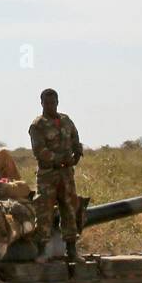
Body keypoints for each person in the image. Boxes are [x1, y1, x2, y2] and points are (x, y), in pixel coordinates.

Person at [28, 88, 83, 262]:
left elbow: (75, 138)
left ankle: (72, 250)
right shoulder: (38, 125)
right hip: (48, 175)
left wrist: (76, 154)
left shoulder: (66, 120)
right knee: (44, 212)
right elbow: (40, 151)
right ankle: (42, 250)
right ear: (42, 103)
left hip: (66, 174)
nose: (50, 105)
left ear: (57, 102)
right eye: (47, 102)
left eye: (53, 102)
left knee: (69, 209)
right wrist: (60, 160)